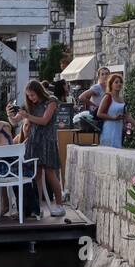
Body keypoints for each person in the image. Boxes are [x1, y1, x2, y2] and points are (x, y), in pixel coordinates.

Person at [10, 80, 63, 218]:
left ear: (39, 91)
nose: (31, 98)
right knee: (36, 176)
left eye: (32, 95)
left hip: (47, 141)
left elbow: (45, 120)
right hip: (34, 142)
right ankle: (37, 207)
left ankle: (59, 205)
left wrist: (27, 116)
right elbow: (15, 121)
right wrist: (10, 114)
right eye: (28, 96)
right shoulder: (30, 106)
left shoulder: (51, 101)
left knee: (51, 174)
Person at [96, 74, 135, 148]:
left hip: (118, 129)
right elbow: (99, 114)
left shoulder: (122, 100)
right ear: (111, 85)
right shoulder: (107, 97)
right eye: (116, 82)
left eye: (120, 82)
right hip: (108, 128)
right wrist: (113, 118)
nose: (119, 84)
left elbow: (127, 116)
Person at [74, 67, 110, 132]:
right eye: (102, 74)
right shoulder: (97, 87)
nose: (105, 76)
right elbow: (81, 97)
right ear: (99, 77)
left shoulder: (109, 88)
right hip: (98, 116)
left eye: (107, 74)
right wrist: (94, 105)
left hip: (107, 114)